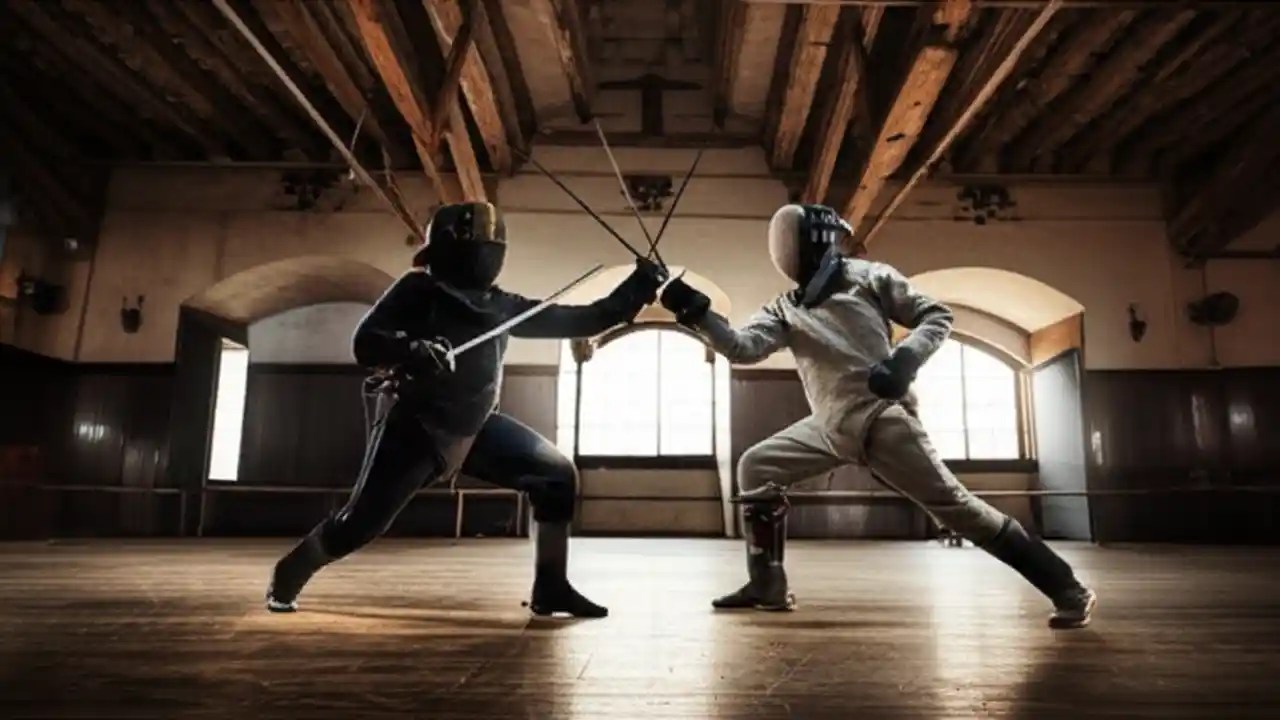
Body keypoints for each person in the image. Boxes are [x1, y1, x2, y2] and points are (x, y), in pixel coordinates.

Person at [658, 203, 1097, 629]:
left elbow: (935, 315)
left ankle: (1068, 588)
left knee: (959, 510)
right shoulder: (785, 307)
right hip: (829, 426)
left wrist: (904, 360)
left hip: (881, 418)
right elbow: (742, 348)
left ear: (816, 241)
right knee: (757, 465)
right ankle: (766, 584)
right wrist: (699, 316)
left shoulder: (868, 277)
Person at [266, 201, 665, 618]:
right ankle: (290, 572)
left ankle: (551, 587)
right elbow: (365, 342)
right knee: (360, 526)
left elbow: (584, 319)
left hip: (476, 428)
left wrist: (638, 286)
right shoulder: (416, 289)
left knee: (556, 475)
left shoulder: (502, 305)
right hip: (418, 428)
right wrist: (412, 348)